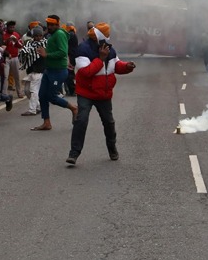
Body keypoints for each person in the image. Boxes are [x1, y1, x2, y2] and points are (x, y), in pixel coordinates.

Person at [66, 23, 136, 165]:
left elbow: (116, 65)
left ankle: (112, 149)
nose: (108, 41)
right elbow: (86, 72)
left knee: (109, 123)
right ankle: (74, 153)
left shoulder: (110, 50)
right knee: (81, 120)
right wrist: (101, 59)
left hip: (103, 93)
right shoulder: (83, 50)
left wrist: (127, 66)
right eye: (106, 38)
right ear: (98, 38)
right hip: (86, 92)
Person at [31, 15, 77, 131]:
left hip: (58, 71)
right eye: (48, 24)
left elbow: (62, 52)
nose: (50, 27)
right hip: (49, 70)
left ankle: (74, 108)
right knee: (42, 96)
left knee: (51, 96)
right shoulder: (52, 35)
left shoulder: (60, 34)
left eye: (52, 25)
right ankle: (46, 123)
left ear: (58, 24)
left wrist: (47, 55)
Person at [19, 26, 46, 116]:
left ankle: (32, 110)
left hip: (40, 70)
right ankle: (38, 107)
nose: (38, 38)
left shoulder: (45, 43)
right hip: (30, 70)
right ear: (33, 36)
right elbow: (23, 52)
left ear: (42, 36)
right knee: (27, 90)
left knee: (33, 90)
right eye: (36, 36)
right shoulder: (29, 43)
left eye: (40, 36)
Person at [2, 20, 24, 99]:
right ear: (7, 27)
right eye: (10, 27)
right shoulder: (3, 35)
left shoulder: (16, 34)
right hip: (7, 58)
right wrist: (8, 40)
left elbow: (20, 46)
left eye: (13, 27)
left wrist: (16, 41)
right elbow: (2, 47)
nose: (12, 28)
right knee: (5, 76)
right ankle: (4, 94)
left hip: (15, 57)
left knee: (17, 76)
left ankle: (19, 92)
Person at [64, 23, 78, 96]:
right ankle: (72, 90)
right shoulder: (73, 33)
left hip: (71, 56)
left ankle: (73, 90)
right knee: (71, 73)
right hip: (73, 56)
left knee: (70, 74)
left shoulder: (70, 34)